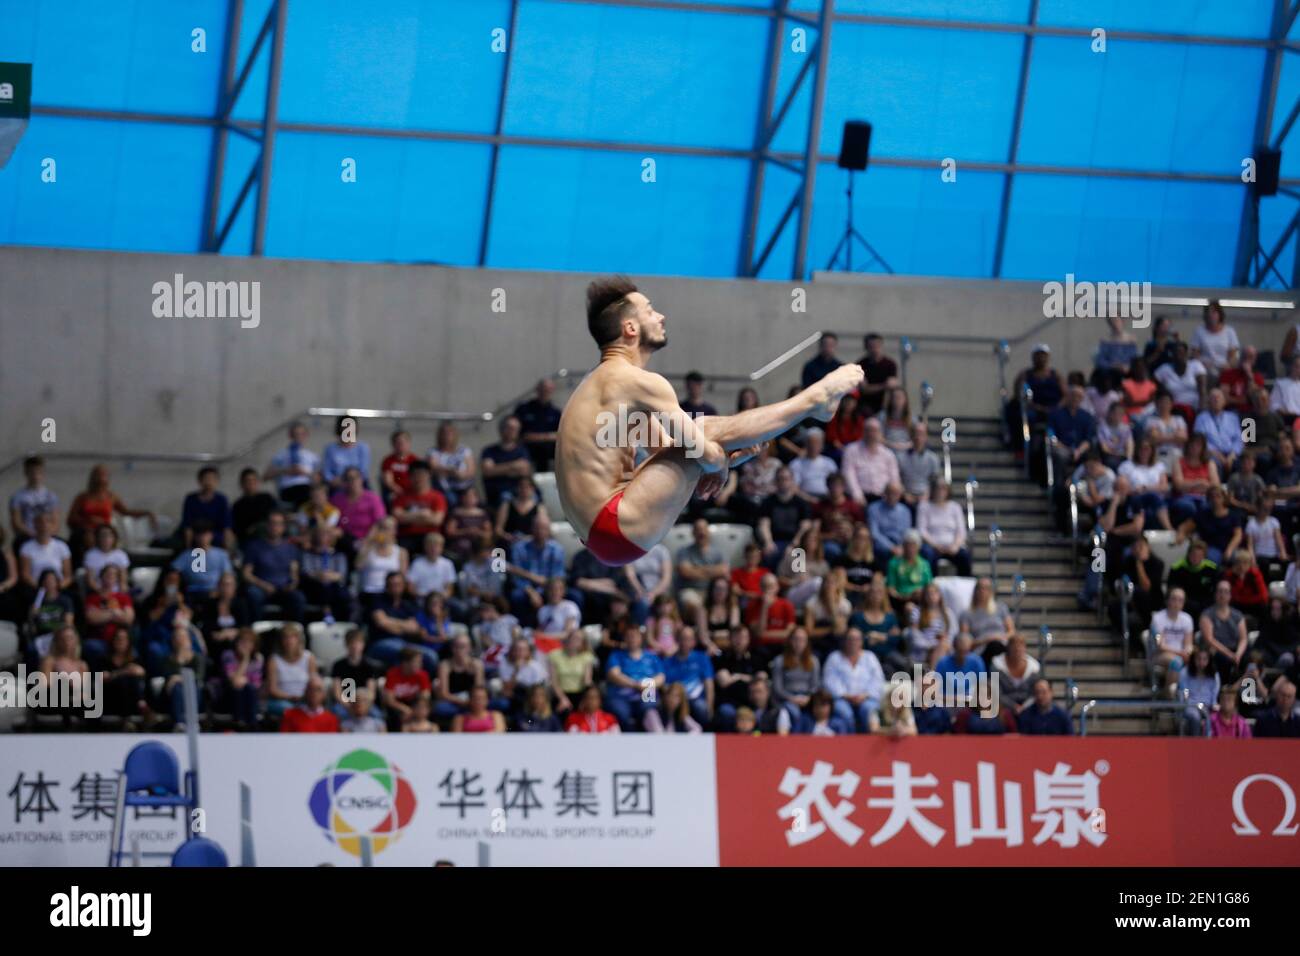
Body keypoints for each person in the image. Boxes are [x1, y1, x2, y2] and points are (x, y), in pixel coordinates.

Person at [554, 279, 862, 567]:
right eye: (650, 310)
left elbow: (669, 450)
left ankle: (814, 404)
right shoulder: (637, 381)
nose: (661, 316)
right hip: (615, 524)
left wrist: (720, 457)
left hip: (603, 535)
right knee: (701, 429)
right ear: (630, 327)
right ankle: (814, 399)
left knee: (700, 435)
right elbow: (702, 451)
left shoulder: (602, 383)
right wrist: (720, 461)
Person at [66, 464, 154, 560]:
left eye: (104, 475)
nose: (101, 478)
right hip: (87, 530)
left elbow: (126, 512)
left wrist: (147, 513)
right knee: (89, 538)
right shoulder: (83, 497)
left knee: (107, 537)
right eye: (99, 474)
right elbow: (71, 518)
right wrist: (88, 520)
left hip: (104, 529)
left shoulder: (111, 497)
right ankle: (92, 561)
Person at [240, 510, 305, 622]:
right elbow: (246, 574)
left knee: (298, 597)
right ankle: (256, 630)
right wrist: (263, 585)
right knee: (253, 594)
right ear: (267, 525)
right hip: (262, 588)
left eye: (278, 524)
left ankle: (295, 632)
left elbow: (294, 574)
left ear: (284, 527)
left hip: (284, 589)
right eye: (272, 523)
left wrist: (292, 584)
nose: (275, 527)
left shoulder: (290, 548)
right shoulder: (254, 546)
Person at [822, 628, 884, 732]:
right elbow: (829, 681)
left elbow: (878, 680)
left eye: (857, 639)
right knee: (844, 712)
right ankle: (851, 744)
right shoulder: (834, 658)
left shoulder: (870, 657)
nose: (853, 642)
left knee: (869, 710)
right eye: (850, 639)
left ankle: (867, 743)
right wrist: (846, 696)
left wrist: (865, 695)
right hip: (841, 698)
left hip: (867, 698)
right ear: (844, 641)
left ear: (861, 642)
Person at [603, 625, 665, 731]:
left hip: (646, 691)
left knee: (650, 709)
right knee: (620, 712)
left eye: (635, 636)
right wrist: (635, 684)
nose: (632, 639)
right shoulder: (616, 655)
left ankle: (657, 735)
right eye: (629, 636)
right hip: (621, 694)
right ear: (625, 639)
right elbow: (613, 675)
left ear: (641, 638)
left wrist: (646, 685)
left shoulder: (652, 656)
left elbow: (661, 677)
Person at [841, 418, 901, 505]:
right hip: (859, 497)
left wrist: (891, 496)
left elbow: (894, 478)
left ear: (880, 433)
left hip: (883, 499)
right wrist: (857, 495)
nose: (872, 434)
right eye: (869, 430)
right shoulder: (851, 450)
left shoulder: (888, 454)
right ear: (863, 432)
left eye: (875, 431)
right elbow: (848, 474)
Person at [390, 461, 447, 554]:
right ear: (410, 477)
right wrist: (422, 514)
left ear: (429, 475)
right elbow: (397, 517)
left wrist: (408, 516)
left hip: (430, 536)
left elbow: (437, 520)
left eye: (422, 475)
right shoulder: (402, 496)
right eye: (415, 475)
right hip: (407, 535)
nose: (419, 478)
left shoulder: (437, 497)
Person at [1201, 578, 1249, 683]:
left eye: (1226, 592)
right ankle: (1222, 692)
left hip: (1235, 651)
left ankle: (1245, 696)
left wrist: (1238, 654)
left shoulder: (1238, 615)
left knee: (1249, 662)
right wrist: (1229, 654)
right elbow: (1209, 639)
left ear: (1230, 595)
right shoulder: (1207, 614)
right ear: (1215, 594)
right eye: (1220, 591)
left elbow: (1244, 638)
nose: (1222, 595)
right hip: (1218, 650)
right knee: (1220, 659)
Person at [769, 627, 821, 726]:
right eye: (796, 639)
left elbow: (815, 685)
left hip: (807, 698)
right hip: (786, 699)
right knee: (794, 713)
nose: (799, 643)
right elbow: (777, 688)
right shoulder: (779, 661)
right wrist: (792, 698)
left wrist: (808, 698)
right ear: (790, 641)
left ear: (807, 642)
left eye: (802, 640)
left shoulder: (814, 661)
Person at [264, 624, 316, 719]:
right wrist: (291, 697)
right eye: (286, 638)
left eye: (292, 637)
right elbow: (272, 689)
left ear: (298, 640)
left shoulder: (309, 657)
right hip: (281, 700)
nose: (289, 641)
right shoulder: (274, 660)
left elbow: (314, 683)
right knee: (290, 709)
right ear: (281, 641)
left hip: (304, 699)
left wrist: (306, 697)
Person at [481, 415, 533, 508]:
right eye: (510, 428)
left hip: (520, 490)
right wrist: (513, 466)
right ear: (502, 429)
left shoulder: (522, 451)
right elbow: (487, 471)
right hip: (497, 491)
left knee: (535, 499)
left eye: (516, 428)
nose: (513, 431)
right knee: (506, 498)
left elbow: (525, 471)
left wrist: (499, 469)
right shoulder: (489, 451)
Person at [1151, 588, 1195, 697]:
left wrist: (1188, 652)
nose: (1177, 603)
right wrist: (1181, 653)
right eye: (1174, 599)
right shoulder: (1158, 618)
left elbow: (1188, 643)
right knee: (1177, 662)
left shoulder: (1187, 619)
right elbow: (1160, 645)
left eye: (1180, 600)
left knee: (1198, 660)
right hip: (1160, 655)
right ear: (1167, 601)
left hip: (1180, 654)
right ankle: (1168, 695)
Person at [265, 421, 320, 507]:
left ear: (306, 436)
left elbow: (319, 479)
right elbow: (266, 476)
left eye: (301, 434)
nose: (298, 437)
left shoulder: (312, 456)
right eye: (295, 434)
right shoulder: (281, 455)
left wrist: (304, 472)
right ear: (290, 436)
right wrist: (284, 470)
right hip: (287, 489)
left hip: (305, 489)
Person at [9, 456, 60, 548]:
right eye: (32, 472)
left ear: (43, 473)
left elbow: (55, 523)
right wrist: (34, 534)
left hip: (47, 536)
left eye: (38, 472)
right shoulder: (17, 497)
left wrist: (46, 534)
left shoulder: (51, 496)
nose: (36, 476)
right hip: (27, 536)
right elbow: (16, 523)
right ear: (26, 473)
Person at [515, 378, 564, 471]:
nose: (545, 392)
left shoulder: (556, 413)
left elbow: (560, 434)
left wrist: (542, 437)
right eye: (543, 389)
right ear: (537, 390)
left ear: (552, 391)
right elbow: (520, 434)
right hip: (527, 447)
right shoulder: (524, 409)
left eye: (548, 390)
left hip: (549, 448)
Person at [180, 466, 233, 550]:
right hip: (195, 535)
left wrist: (228, 549)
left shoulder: (222, 500)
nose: (209, 482)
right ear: (200, 480)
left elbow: (227, 526)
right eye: (206, 478)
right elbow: (187, 525)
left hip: (215, 536)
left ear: (217, 481)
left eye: (212, 479)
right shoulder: (191, 499)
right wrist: (188, 547)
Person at [221, 627, 264, 730]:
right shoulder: (228, 655)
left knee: (249, 688)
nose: (246, 644)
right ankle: (240, 722)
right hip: (228, 695)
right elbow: (233, 680)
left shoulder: (258, 658)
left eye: (249, 642)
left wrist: (244, 681)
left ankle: (251, 723)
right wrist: (245, 659)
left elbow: (257, 684)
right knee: (239, 687)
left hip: (250, 694)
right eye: (243, 641)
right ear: (237, 642)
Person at [385, 646, 435, 730]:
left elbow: (425, 697)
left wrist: (415, 711)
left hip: (415, 705)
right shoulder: (393, 674)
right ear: (405, 663)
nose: (420, 665)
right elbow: (389, 700)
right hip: (398, 706)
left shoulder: (422, 675)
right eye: (417, 662)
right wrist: (405, 709)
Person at [1194, 388, 1242, 475]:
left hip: (1231, 454)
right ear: (1208, 402)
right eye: (1213, 398)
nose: (1216, 400)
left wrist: (1231, 456)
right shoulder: (1201, 418)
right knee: (1214, 465)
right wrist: (1218, 455)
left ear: (1224, 401)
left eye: (1218, 397)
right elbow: (1200, 440)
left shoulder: (1233, 417)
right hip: (1211, 454)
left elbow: (1238, 439)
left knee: (1242, 464)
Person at [428, 422, 478, 505]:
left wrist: (462, 475)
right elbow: (433, 467)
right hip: (444, 488)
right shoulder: (433, 452)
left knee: (471, 499)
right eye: (444, 433)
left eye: (450, 433)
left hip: (465, 487)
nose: (447, 436)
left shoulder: (465, 450)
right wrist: (452, 471)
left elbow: (471, 471)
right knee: (451, 500)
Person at [1154, 341, 1207, 419]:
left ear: (1186, 353)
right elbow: (1154, 388)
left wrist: (1201, 409)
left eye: (1181, 352)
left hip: (1194, 406)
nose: (1179, 355)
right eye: (1176, 353)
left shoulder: (1196, 365)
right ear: (1172, 355)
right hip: (1173, 408)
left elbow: (1202, 391)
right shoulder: (1164, 369)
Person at [320, 416, 373, 493]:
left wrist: (351, 481)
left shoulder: (363, 447)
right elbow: (326, 471)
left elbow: (363, 470)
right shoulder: (330, 448)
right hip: (336, 485)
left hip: (358, 484)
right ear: (340, 429)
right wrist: (332, 480)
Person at [991, 633, 1040, 713]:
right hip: (1002, 706)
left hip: (1027, 707)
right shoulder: (996, 665)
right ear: (1008, 648)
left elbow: (1034, 694)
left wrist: (1024, 707)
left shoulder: (1034, 667)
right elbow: (995, 692)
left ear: (1025, 648)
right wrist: (1013, 706)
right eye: (1014, 648)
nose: (1017, 650)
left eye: (1020, 647)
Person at [1190, 300, 1239, 379]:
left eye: (1213, 312)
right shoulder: (1199, 331)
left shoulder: (1229, 331)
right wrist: (1202, 364)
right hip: (1205, 369)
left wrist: (1228, 365)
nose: (1210, 315)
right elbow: (1194, 354)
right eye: (1208, 312)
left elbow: (1234, 355)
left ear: (1219, 314)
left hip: (1224, 368)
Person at [231, 468, 279, 546]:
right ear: (242, 484)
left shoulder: (267, 498)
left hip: (269, 534)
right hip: (249, 540)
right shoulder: (238, 505)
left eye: (254, 480)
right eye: (248, 481)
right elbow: (237, 528)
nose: (251, 483)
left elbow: (276, 515)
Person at [1178, 647, 1220, 736]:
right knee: (1195, 717)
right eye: (1198, 659)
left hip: (1208, 706)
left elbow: (1214, 696)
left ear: (1209, 660)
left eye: (1204, 659)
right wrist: (1191, 704)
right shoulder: (1185, 673)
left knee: (1217, 717)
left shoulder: (1214, 675)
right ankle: (1196, 744)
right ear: (1193, 660)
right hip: (1191, 706)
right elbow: (1184, 694)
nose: (1201, 662)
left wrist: (1213, 705)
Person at [856, 333, 899, 415]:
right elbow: (864, 389)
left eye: (877, 346)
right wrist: (884, 385)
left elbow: (892, 386)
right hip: (865, 405)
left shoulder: (890, 364)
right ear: (866, 347)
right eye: (871, 346)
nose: (874, 349)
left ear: (882, 346)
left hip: (885, 405)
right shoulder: (860, 365)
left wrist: (871, 387)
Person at [494, 476, 543, 548]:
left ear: (533, 489)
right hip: (509, 543)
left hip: (531, 545)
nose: (524, 489)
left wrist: (528, 539)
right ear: (517, 488)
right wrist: (509, 537)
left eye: (527, 487)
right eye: (521, 486)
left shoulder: (539, 508)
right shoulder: (507, 506)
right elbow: (498, 530)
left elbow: (544, 530)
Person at [379, 430, 420, 506]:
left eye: (403, 442)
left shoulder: (415, 460)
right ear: (393, 444)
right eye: (398, 443)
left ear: (409, 443)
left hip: (412, 492)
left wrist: (409, 493)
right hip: (395, 492)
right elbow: (388, 481)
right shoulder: (388, 461)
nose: (401, 445)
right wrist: (401, 493)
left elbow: (418, 479)